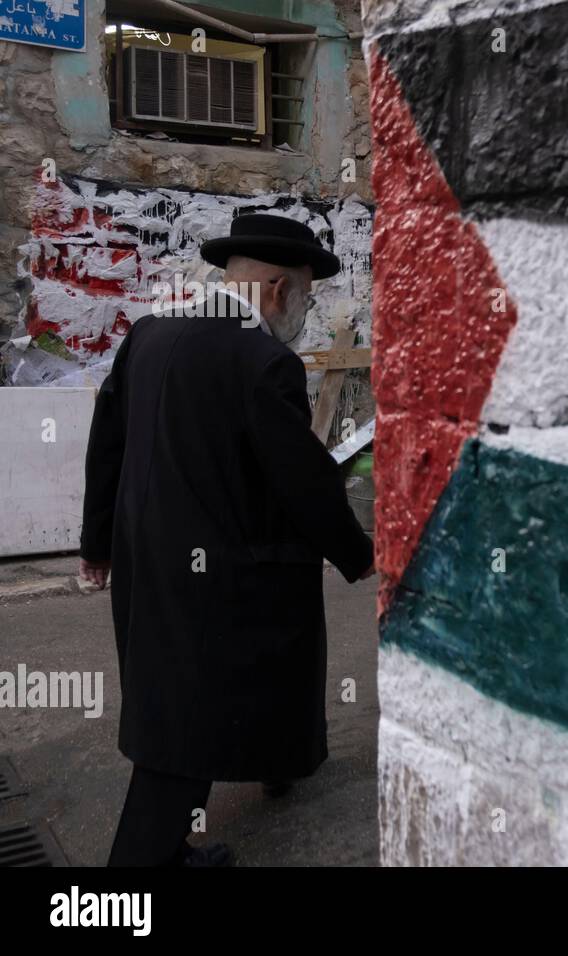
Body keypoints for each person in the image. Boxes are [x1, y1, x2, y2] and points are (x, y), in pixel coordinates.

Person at [79, 214, 375, 867]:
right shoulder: (264, 361)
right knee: (183, 726)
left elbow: (108, 444)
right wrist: (356, 554)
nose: (304, 312)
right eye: (305, 296)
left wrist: (97, 543)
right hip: (223, 577)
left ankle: (263, 772)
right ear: (277, 288)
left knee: (181, 699)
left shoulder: (148, 335)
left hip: (147, 562)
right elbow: (301, 479)